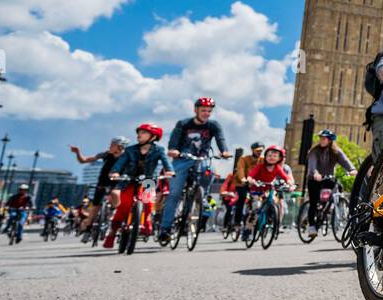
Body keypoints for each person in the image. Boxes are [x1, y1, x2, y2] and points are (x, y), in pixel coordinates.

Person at [159, 97, 231, 243]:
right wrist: (173, 150)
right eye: (203, 110)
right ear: (195, 110)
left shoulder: (213, 125)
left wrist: (224, 151)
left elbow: (220, 139)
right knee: (174, 194)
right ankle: (165, 228)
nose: (206, 113)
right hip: (182, 159)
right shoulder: (184, 124)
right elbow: (174, 141)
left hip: (202, 158)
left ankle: (201, 196)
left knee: (209, 170)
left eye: (209, 111)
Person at [104, 124, 172, 248]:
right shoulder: (130, 150)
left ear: (153, 136)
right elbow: (120, 162)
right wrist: (115, 172)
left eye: (143, 133)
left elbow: (165, 161)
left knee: (148, 202)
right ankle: (112, 234)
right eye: (139, 132)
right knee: (123, 207)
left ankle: (146, 221)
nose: (139, 135)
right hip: (129, 180)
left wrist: (169, 170)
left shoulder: (159, 150)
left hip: (147, 180)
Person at [304, 129, 356, 240]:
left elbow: (345, 161)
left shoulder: (336, 151)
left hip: (328, 178)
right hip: (314, 179)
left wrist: (352, 169)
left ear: (330, 140)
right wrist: (315, 173)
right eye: (321, 138)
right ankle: (312, 226)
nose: (322, 140)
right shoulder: (315, 151)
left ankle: (336, 204)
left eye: (324, 138)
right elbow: (312, 164)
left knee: (339, 186)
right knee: (313, 202)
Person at [71, 137, 130, 231]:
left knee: (115, 193)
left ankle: (113, 211)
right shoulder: (106, 154)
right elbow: (83, 160)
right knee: (95, 207)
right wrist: (77, 152)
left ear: (120, 147)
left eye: (112, 145)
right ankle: (88, 228)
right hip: (103, 181)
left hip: (118, 181)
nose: (109, 146)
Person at [245, 145, 295, 236]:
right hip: (256, 189)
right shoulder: (260, 166)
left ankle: (271, 221)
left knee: (274, 202)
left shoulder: (277, 168)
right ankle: (248, 230)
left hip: (267, 190)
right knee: (256, 206)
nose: (272, 158)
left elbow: (286, 177)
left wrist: (290, 183)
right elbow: (251, 175)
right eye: (270, 156)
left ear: (279, 158)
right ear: (265, 156)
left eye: (275, 156)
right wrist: (251, 180)